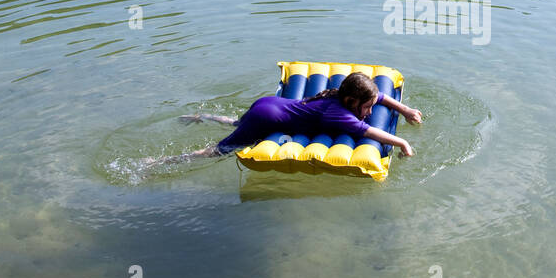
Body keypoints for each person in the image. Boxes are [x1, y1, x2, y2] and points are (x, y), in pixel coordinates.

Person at [152, 72, 420, 166]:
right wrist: (402, 144)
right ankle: (160, 161)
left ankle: (202, 116)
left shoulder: (340, 95)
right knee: (219, 151)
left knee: (237, 123)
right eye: (367, 107)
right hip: (266, 118)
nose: (370, 112)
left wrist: (405, 110)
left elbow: (380, 96)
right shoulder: (340, 114)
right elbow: (370, 133)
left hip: (269, 103)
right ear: (352, 102)